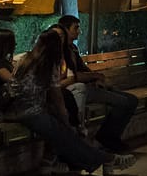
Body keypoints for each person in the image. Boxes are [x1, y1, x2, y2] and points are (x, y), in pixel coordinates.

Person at [8, 30, 136, 175]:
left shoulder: (24, 59)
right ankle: (107, 159)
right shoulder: (47, 64)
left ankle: (53, 161)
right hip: (30, 112)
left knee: (61, 132)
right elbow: (57, 97)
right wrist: (66, 120)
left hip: (13, 110)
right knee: (66, 134)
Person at [53, 15, 137, 153]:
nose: (79, 31)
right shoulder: (61, 52)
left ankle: (109, 137)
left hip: (88, 85)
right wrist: (95, 76)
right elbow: (73, 76)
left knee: (132, 99)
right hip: (76, 90)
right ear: (66, 30)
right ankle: (107, 138)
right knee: (124, 102)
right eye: (75, 28)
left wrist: (96, 78)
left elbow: (82, 69)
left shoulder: (72, 48)